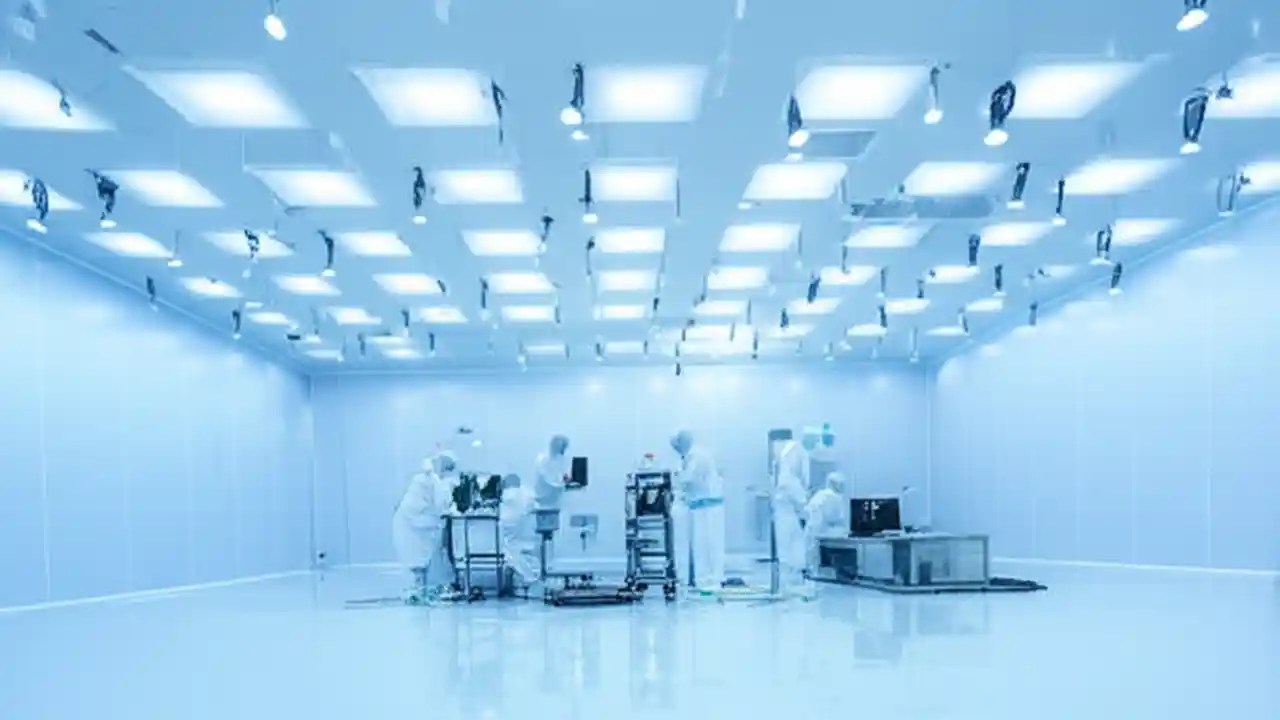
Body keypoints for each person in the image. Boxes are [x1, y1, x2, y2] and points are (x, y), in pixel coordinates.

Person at [391, 451, 459, 602]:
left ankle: (420, 590)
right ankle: (420, 591)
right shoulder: (432, 480)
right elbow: (441, 504)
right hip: (415, 523)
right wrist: (452, 510)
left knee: (419, 558)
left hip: (413, 522)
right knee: (419, 558)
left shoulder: (424, 479)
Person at [671, 430, 726, 590]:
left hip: (709, 507)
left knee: (710, 544)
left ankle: (713, 580)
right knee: (701, 546)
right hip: (700, 507)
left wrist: (677, 479)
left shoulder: (697, 456)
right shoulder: (690, 457)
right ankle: (703, 580)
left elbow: (689, 479)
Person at [774, 427, 819, 590]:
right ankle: (789, 581)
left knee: (795, 541)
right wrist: (803, 504)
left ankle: (795, 577)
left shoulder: (800, 452)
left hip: (792, 505)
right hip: (788, 506)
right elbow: (790, 482)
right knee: (789, 542)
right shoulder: (794, 452)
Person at [498, 473, 539, 588]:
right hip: (526, 528)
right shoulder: (528, 492)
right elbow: (536, 505)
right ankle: (527, 577)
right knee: (518, 552)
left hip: (510, 527)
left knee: (510, 550)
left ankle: (518, 578)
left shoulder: (507, 495)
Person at [805, 471, 848, 572]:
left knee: (813, 563)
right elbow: (835, 518)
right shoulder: (834, 497)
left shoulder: (819, 495)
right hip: (823, 533)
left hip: (812, 532)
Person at [533, 434, 572, 511]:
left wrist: (568, 481)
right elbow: (546, 478)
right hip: (542, 499)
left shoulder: (562, 461)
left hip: (557, 502)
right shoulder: (542, 460)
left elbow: (566, 477)